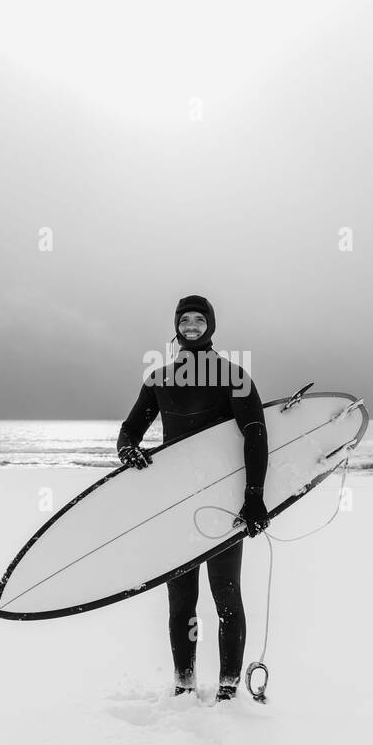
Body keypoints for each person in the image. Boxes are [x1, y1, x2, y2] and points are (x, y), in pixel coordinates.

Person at [117, 295, 270, 702]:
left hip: (223, 502)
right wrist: (128, 451)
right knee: (182, 599)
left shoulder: (233, 376)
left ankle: (228, 687)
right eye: (184, 320)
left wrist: (254, 497)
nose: (191, 326)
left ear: (211, 326)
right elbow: (129, 431)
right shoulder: (160, 379)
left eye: (199, 320)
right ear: (176, 326)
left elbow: (256, 434)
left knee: (226, 595)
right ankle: (184, 684)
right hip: (178, 504)